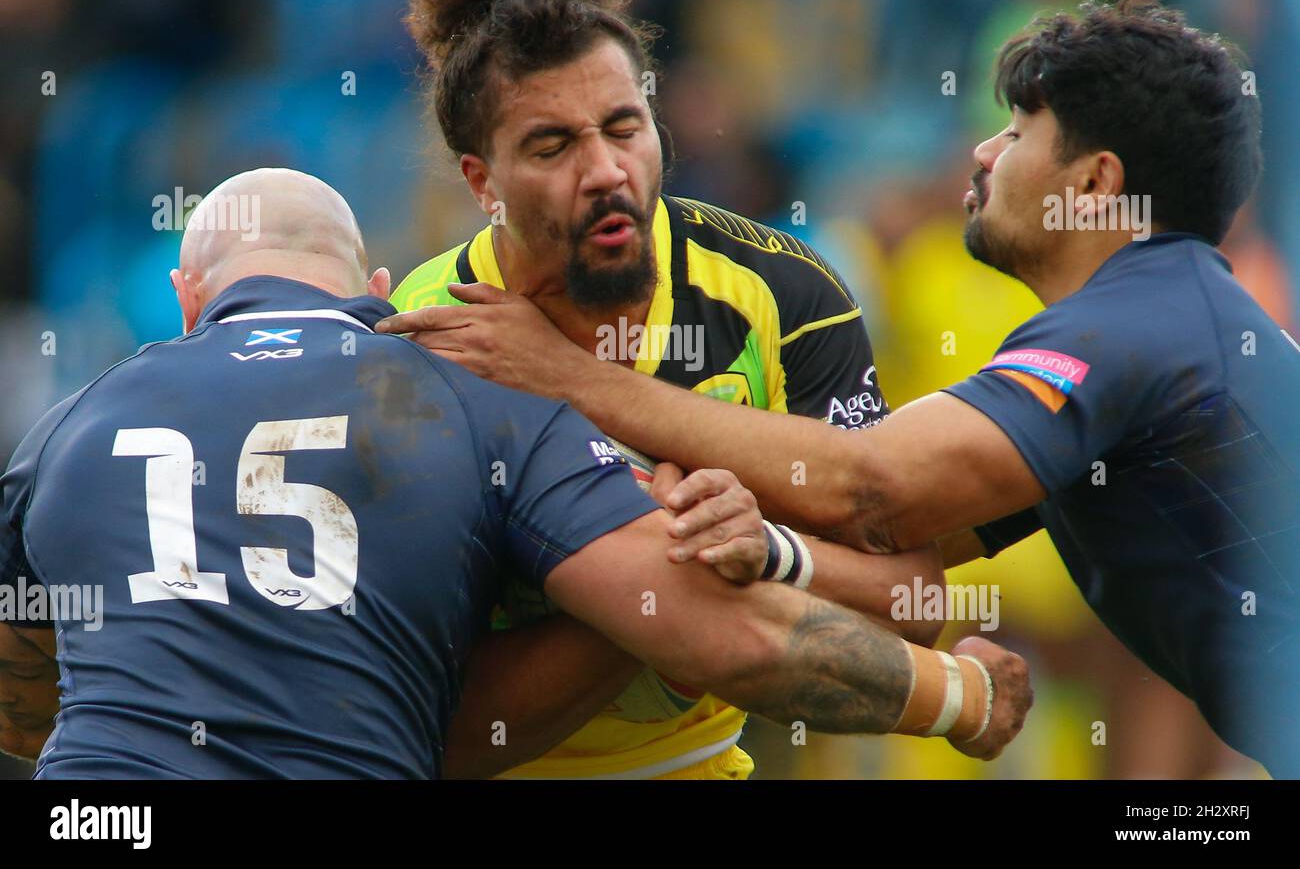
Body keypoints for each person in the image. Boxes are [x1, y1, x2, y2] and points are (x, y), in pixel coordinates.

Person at [385, 0, 1300, 776]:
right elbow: (893, 545)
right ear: (482, 179)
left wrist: (566, 379)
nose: (982, 154)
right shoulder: (1162, 317)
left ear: (1095, 183)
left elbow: (868, 484)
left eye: (1018, 133)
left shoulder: (1132, 329)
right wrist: (761, 546)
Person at [0, 168, 1032, 778]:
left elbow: (20, 688)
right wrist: (958, 695)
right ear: (369, 290)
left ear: (186, 300)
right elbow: (731, 631)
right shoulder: (469, 395)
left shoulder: (66, 427)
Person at [382, 0, 957, 779]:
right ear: (481, 182)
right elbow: (422, 704)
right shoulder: (414, 336)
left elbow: (916, 602)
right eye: (553, 144)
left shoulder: (785, 293)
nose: (607, 171)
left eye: (624, 127)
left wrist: (769, 547)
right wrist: (659, 567)